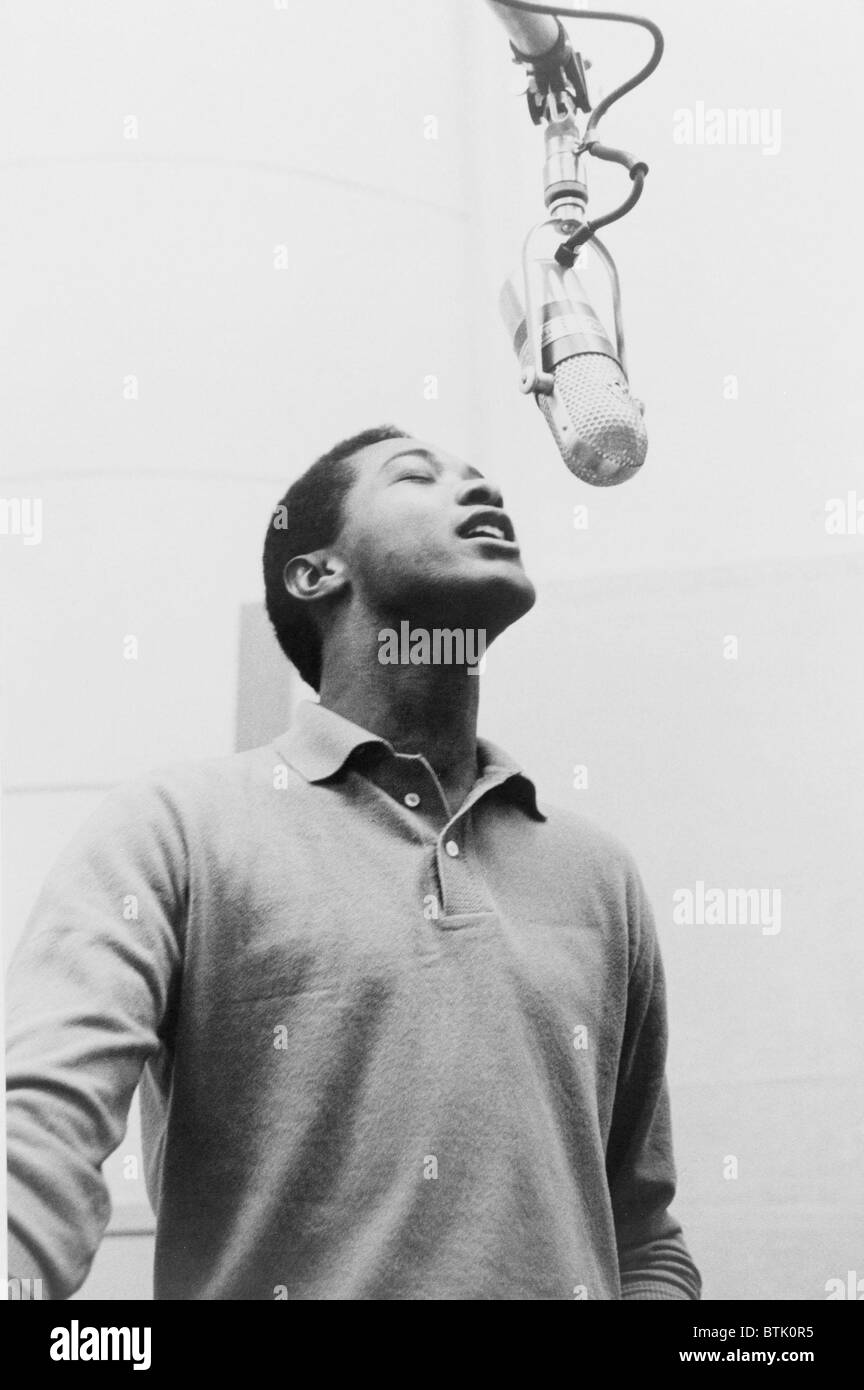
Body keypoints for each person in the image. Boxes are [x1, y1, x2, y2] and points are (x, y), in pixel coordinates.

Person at [6, 423, 701, 1300]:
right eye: (419, 476)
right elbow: (35, 1133)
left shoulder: (598, 873)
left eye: (484, 479)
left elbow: (642, 1235)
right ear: (316, 572)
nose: (481, 490)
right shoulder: (175, 828)